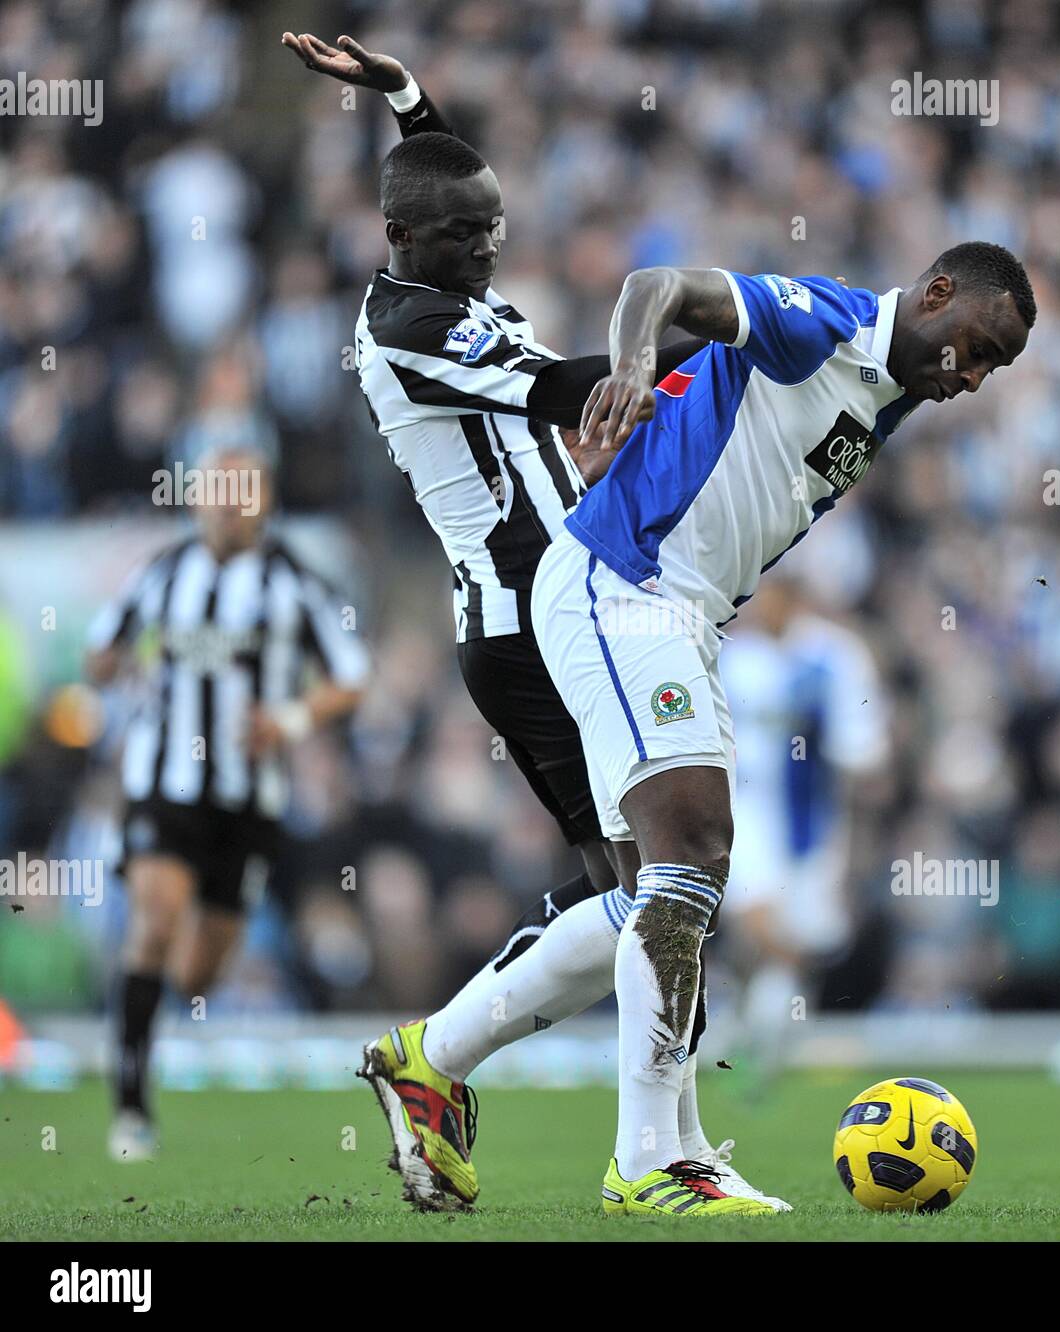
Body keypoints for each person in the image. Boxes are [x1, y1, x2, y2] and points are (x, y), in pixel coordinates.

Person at [281, 33, 783, 1213]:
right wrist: (731, 345)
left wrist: (403, 94)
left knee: (658, 892)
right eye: (465, 236)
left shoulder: (434, 266)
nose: (485, 247)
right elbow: (576, 389)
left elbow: (441, 172)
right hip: (526, 631)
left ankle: (443, 1067)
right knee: (665, 887)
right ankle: (636, 1146)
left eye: (494, 229)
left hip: (566, 617)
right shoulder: (415, 328)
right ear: (403, 241)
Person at [530, 245, 1035, 1214]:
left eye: (991, 370)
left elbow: (724, 410)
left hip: (678, 613)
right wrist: (633, 370)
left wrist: (661, 401)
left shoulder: (886, 395)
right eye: (975, 347)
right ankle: (644, 1162)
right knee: (696, 851)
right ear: (933, 294)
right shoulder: (830, 322)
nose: (970, 378)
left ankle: (672, 1146)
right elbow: (658, 288)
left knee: (661, 884)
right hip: (626, 585)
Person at [86, 446, 369, 1160]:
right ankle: (130, 1106)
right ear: (196, 499)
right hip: (164, 785)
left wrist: (291, 720)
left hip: (248, 803)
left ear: (264, 503)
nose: (227, 505)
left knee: (199, 971)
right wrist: (122, 668)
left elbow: (350, 677)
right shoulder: (162, 573)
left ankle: (150, 1006)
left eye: (242, 492)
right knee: (153, 921)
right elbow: (100, 652)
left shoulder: (292, 584)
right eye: (216, 491)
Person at [721, 574, 890, 1079]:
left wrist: (858, 841)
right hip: (744, 810)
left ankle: (761, 1042)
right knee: (757, 918)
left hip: (814, 820)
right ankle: (766, 1029)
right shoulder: (733, 657)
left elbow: (861, 754)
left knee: (803, 944)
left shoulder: (833, 657)